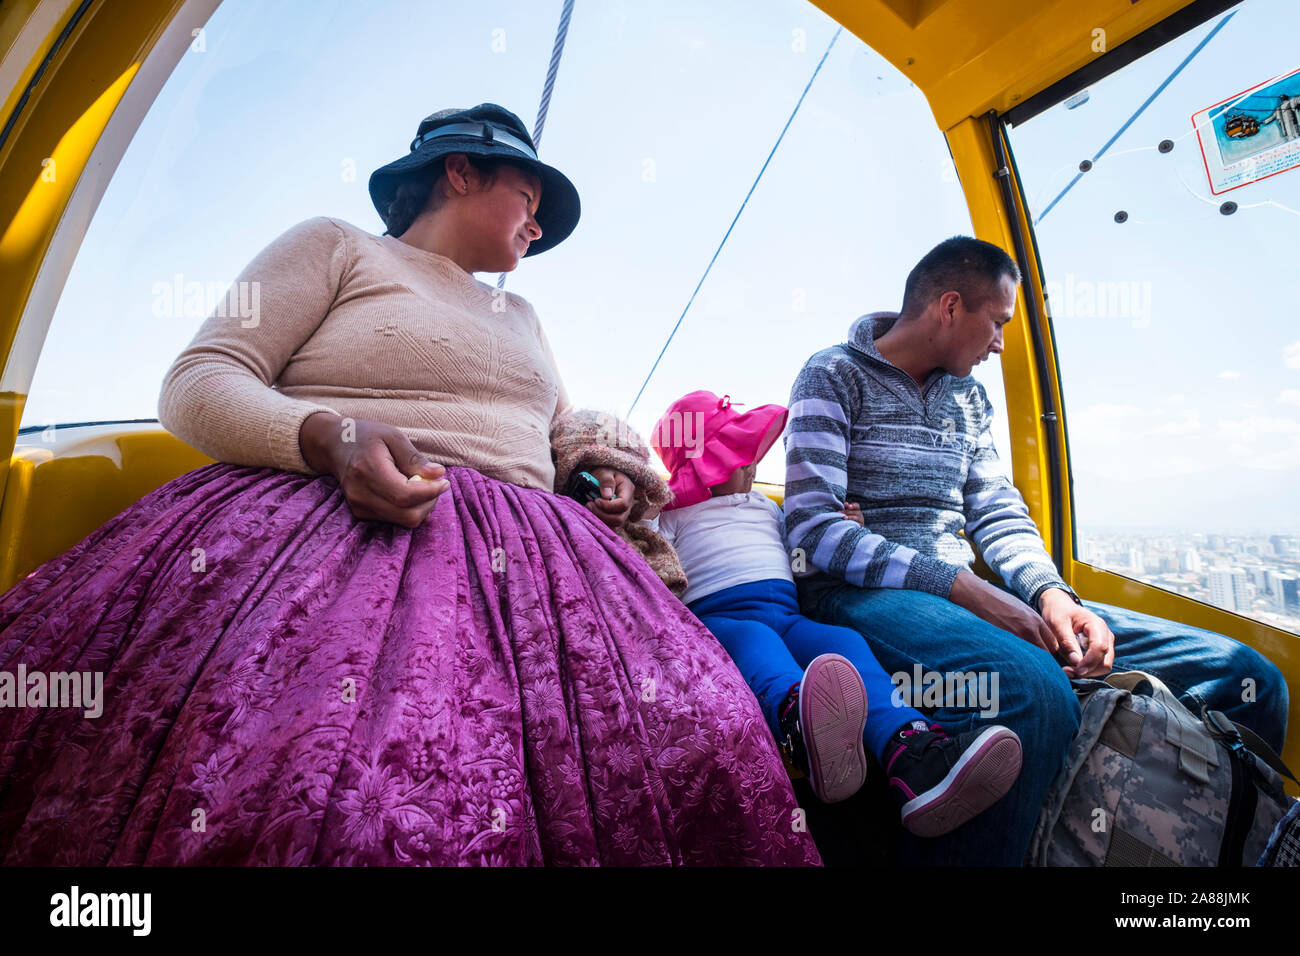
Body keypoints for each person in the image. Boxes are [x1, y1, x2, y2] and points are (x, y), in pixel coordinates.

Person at [0, 105, 819, 866]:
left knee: (704, 730)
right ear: (458, 173)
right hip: (327, 519)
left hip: (544, 561)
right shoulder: (337, 245)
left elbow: (554, 432)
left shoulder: (526, 316)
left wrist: (588, 476)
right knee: (337, 777)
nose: (536, 226)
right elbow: (200, 378)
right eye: (526, 198)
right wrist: (328, 436)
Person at [783, 235, 1289, 865]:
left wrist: (1051, 595)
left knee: (1247, 679)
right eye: (996, 324)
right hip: (862, 597)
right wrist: (968, 590)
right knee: (1035, 692)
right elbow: (814, 531)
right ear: (948, 308)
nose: (999, 344)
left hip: (964, 591)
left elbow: (996, 509)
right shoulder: (833, 374)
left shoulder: (968, 398)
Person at [648, 390, 1023, 836]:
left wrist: (846, 528)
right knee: (758, 645)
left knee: (844, 644)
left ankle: (916, 755)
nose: (751, 464)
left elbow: (802, 557)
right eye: (739, 454)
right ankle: (804, 733)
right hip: (722, 620)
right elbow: (646, 561)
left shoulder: (769, 509)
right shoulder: (669, 515)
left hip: (787, 613)